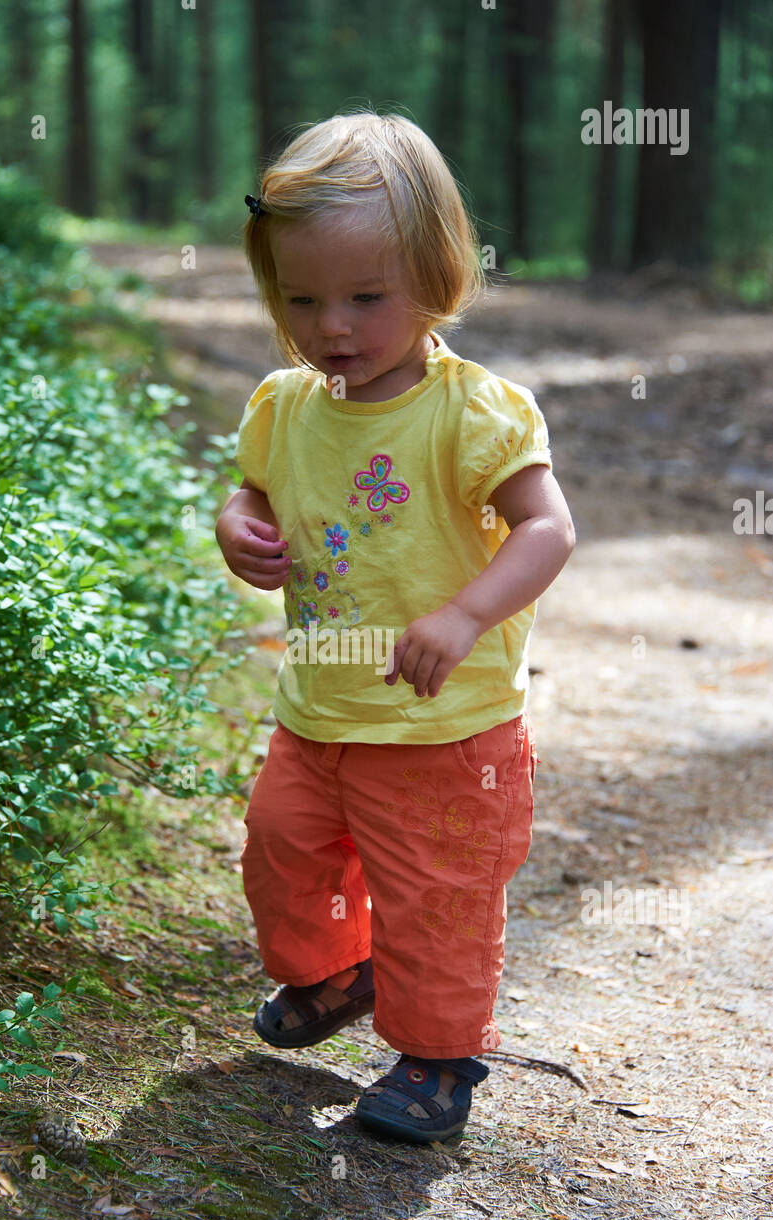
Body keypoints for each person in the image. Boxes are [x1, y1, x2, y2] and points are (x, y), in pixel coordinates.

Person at [215, 112, 575, 1143]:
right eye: (303, 298)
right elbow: (251, 495)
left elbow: (547, 528)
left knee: (437, 897)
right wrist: (238, 527)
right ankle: (334, 974)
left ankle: (436, 1056)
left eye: (367, 297)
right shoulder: (286, 405)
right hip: (318, 708)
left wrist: (465, 612)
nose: (334, 326)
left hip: (440, 727)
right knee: (282, 847)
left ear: (438, 275)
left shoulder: (473, 413)